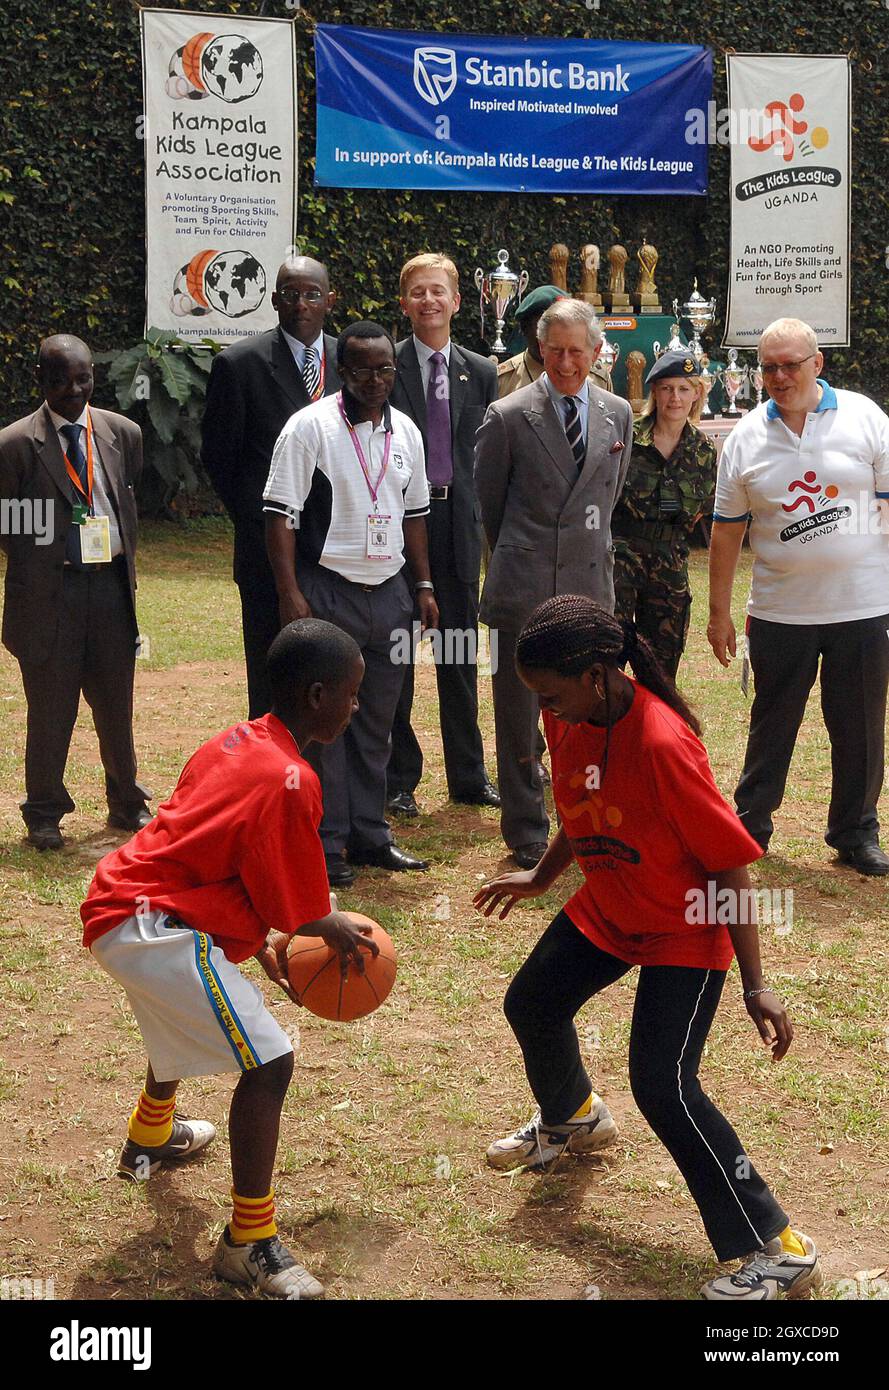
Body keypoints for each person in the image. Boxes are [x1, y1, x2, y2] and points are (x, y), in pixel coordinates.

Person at [474, 594, 821, 1302]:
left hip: (683, 927)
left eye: (552, 693)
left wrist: (756, 984)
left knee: (663, 1086)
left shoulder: (663, 745)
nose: (546, 708)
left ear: (599, 674)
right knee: (532, 1003)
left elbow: (730, 863)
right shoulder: (566, 711)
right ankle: (572, 1117)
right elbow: (578, 797)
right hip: (610, 904)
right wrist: (542, 876)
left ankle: (778, 1246)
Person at [81, 620, 378, 1299]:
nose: (357, 707)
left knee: (189, 1010)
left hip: (128, 906)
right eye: (352, 695)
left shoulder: (236, 740)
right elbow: (304, 909)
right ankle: (249, 1241)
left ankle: (149, 1137)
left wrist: (272, 934)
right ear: (316, 694)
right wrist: (329, 932)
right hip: (150, 924)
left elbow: (232, 862)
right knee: (270, 1061)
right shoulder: (290, 778)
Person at [708, 317, 889, 874]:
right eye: (768, 367)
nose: (779, 376)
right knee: (773, 721)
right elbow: (726, 531)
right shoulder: (744, 438)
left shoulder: (866, 417)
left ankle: (855, 834)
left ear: (818, 364)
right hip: (780, 610)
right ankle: (751, 825)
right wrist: (719, 613)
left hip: (862, 606)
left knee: (859, 726)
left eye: (790, 364)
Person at [264, 322, 438, 887]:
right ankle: (327, 842)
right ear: (343, 371)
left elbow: (415, 516)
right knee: (326, 724)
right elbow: (279, 515)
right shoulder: (308, 428)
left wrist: (424, 586)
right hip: (328, 588)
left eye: (385, 369)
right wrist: (292, 593)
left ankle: (371, 833)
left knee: (379, 718)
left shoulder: (407, 431)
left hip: (388, 592)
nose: (375, 379)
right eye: (362, 369)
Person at [474, 297, 633, 868]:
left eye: (577, 351)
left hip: (589, 589)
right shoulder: (509, 415)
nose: (567, 363)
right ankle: (524, 829)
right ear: (540, 350)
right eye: (556, 351)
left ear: (596, 351)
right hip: (525, 586)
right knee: (519, 714)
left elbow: (608, 498)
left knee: (589, 712)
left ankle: (588, 823)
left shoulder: (618, 413)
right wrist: (524, 553)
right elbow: (490, 508)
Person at [0, 334, 151, 850]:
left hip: (110, 587)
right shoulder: (15, 444)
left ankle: (127, 800)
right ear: (40, 381)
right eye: (60, 379)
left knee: (116, 703)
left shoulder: (122, 433)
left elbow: (125, 499)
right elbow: (6, 522)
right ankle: (43, 811)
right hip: (49, 592)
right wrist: (59, 530)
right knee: (51, 707)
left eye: (83, 377)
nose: (74, 389)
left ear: (94, 376)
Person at [202, 256, 340, 719]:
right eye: (290, 294)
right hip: (267, 555)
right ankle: (269, 772)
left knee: (333, 672)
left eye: (312, 294)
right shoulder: (239, 364)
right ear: (275, 300)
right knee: (271, 673)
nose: (301, 304)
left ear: (330, 301)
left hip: (338, 550)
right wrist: (262, 519)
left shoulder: (353, 361)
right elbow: (220, 459)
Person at [386, 252, 499, 818]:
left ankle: (469, 775)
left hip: (459, 524)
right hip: (402, 525)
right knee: (399, 655)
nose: (429, 301)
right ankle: (398, 778)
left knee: (458, 653)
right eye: (418, 292)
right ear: (404, 303)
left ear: (457, 301)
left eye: (439, 291)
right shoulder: (387, 365)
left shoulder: (480, 371)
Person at [612, 351, 717, 677]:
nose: (675, 398)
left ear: (697, 393)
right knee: (607, 663)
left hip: (670, 570)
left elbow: (703, 511)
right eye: (667, 388)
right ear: (654, 392)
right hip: (620, 563)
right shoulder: (627, 438)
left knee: (660, 672)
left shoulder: (703, 450)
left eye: (684, 389)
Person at [496, 284, 613, 398]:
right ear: (524, 329)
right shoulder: (504, 381)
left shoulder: (598, 378)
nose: (556, 335)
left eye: (565, 326)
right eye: (543, 327)